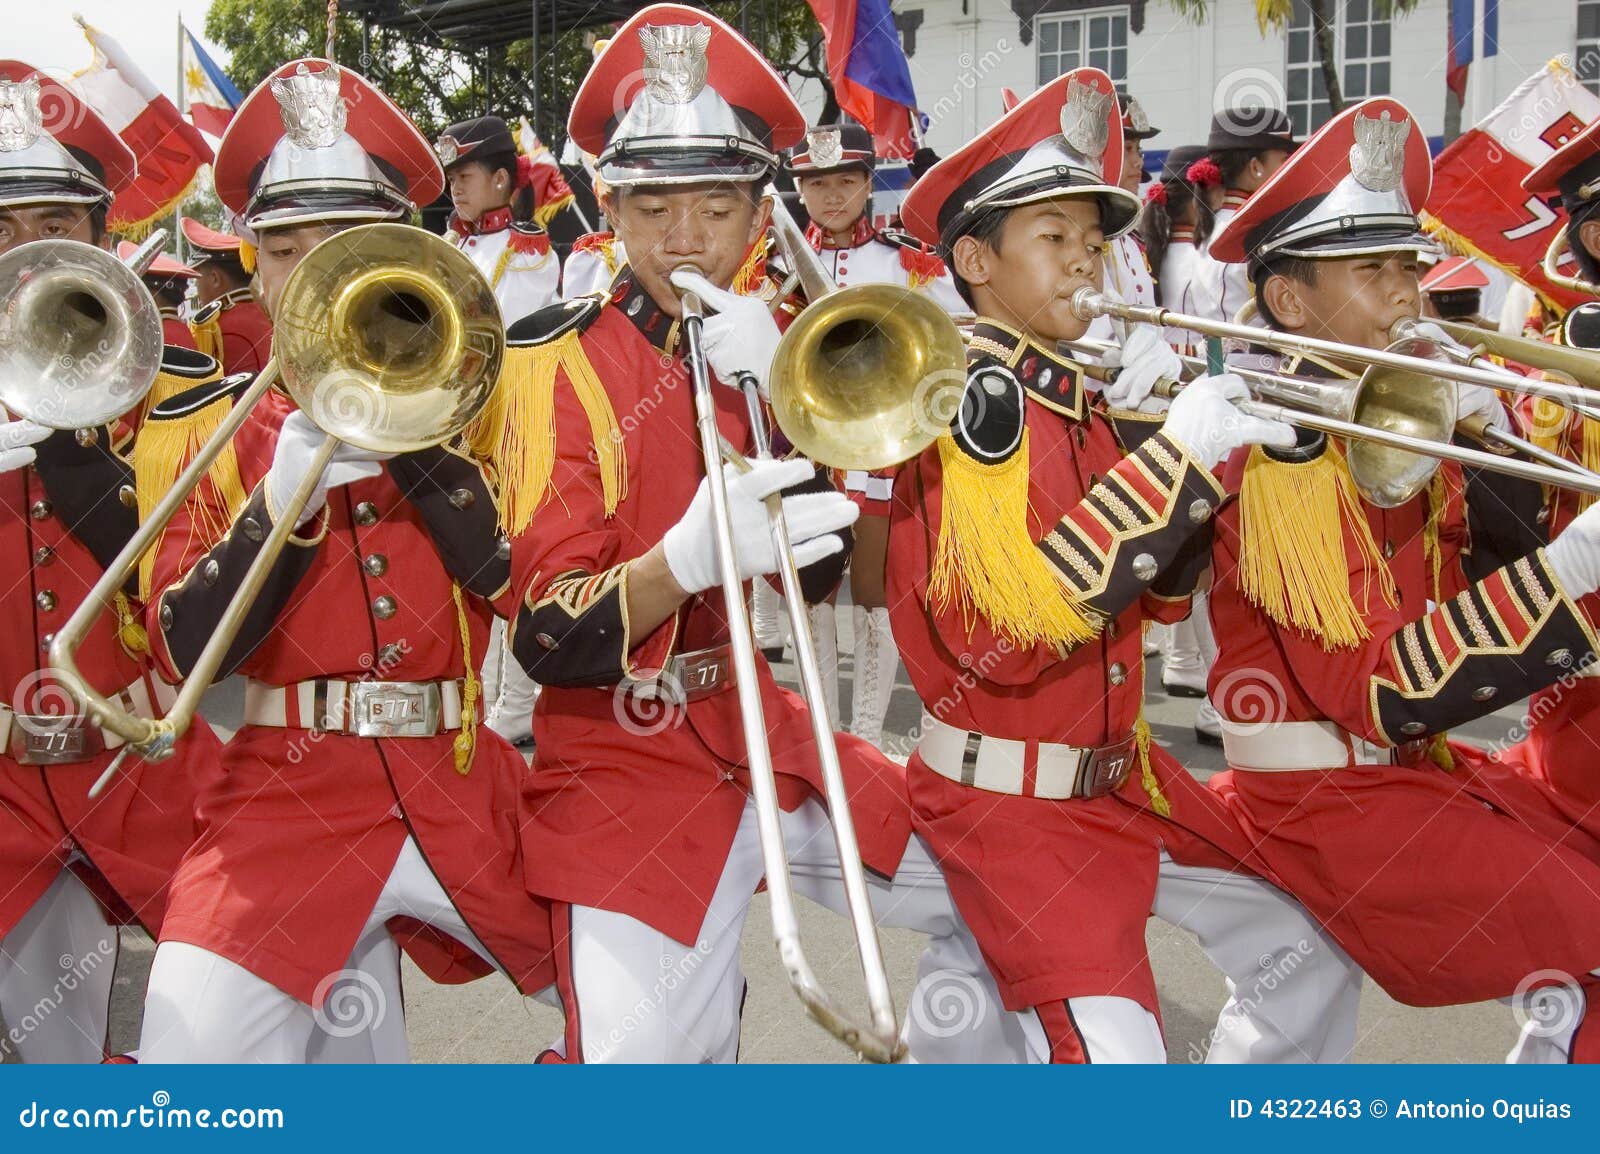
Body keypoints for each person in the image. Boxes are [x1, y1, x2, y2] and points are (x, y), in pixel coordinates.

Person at [485, 5, 1018, 1063]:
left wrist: (785, 394)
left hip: (758, 725)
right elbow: (547, 638)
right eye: (655, 205)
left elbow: (819, 578)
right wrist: (680, 562)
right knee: (640, 1066)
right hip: (621, 761)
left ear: (757, 219)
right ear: (607, 207)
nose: (687, 237)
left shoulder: (758, 345)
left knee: (1005, 892)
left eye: (718, 207)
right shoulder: (554, 365)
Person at [888, 65, 1364, 1064]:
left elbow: (1151, 602)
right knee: (1113, 1063)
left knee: (1308, 933)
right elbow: (1011, 633)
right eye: (1052, 238)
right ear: (974, 258)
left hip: (1117, 782)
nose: (1084, 262)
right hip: (1015, 808)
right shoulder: (969, 399)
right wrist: (1176, 460)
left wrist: (1211, 464)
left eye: (1092, 239)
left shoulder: (1078, 393)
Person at [134, 58, 554, 1063]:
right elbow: (183, 650)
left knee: (648, 1021)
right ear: (257, 264)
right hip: (285, 795)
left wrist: (426, 455)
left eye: (343, 246)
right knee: (180, 1059)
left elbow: (544, 606)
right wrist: (277, 504)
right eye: (282, 249)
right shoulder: (210, 428)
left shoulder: (498, 396)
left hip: (459, 779)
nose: (311, 275)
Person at [1201, 96, 1600, 1063]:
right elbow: (1378, 691)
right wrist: (1579, 560)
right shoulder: (1290, 451)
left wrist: (1491, 442)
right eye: (1371, 270)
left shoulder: (1393, 417)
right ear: (1289, 304)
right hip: (1327, 798)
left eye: (1409, 266)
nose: (1407, 292)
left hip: (1403, 780)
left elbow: (1487, 563)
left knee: (1280, 1044)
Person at [0, 61, 221, 1063]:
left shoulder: (184, 382)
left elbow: (207, 600)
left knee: (227, 1031)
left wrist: (77, 457)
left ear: (99, 234)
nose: (26, 251)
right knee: (50, 1055)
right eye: (2, 226)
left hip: (147, 765)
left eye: (52, 221)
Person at [786, 121, 964, 746]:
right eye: (816, 184)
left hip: (875, 444)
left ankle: (862, 733)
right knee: (807, 586)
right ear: (799, 190)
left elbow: (954, 340)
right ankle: (820, 729)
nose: (831, 197)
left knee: (872, 590)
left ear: (868, 185)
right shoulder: (772, 262)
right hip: (799, 442)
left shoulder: (902, 263)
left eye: (845, 182)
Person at [435, 114, 561, 749]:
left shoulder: (532, 254)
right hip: (449, 429)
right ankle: (479, 695)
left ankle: (517, 703)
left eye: (467, 175)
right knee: (460, 565)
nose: (455, 187)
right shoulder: (446, 246)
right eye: (451, 177)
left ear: (503, 180)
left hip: (508, 427)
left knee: (508, 562)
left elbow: (519, 344)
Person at [1190, 106, 1298, 324]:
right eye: (1284, 161)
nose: (1290, 171)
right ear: (1256, 167)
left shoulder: (1212, 226)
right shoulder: (1253, 234)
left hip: (1222, 356)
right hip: (1255, 356)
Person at [179, 215, 272, 375]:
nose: (196, 287)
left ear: (215, 278)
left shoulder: (216, 328)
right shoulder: (262, 314)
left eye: (198, 278)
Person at [118, 241, 199, 350]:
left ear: (149, 294)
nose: (126, 298)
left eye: (132, 291)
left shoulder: (157, 338)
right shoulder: (175, 330)